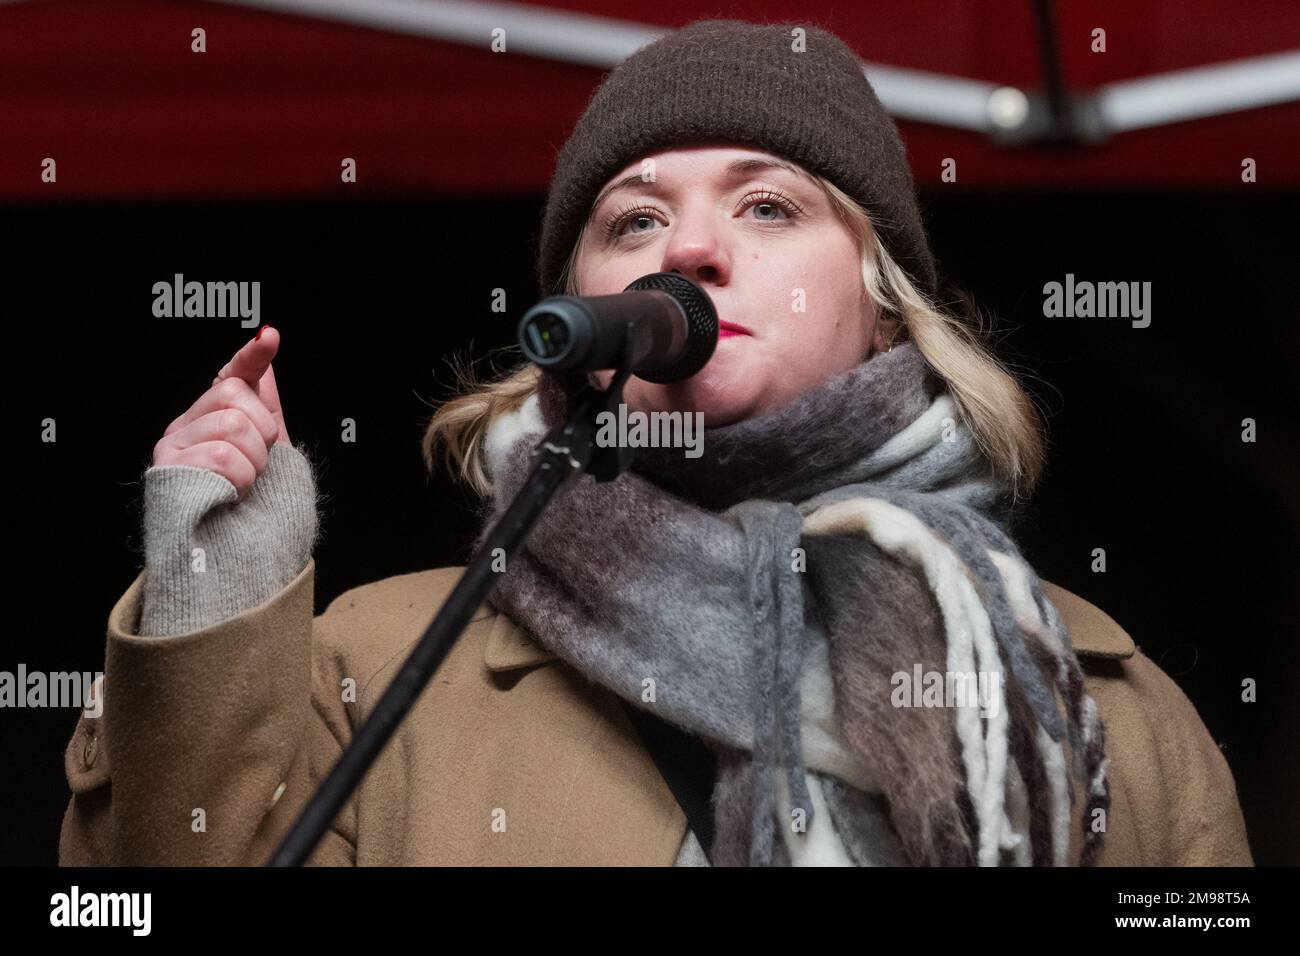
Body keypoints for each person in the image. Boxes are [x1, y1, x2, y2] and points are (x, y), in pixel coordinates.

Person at [59, 19, 1252, 867]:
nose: (689, 247)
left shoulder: (1102, 700)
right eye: (634, 216)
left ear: (885, 299)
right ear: (578, 317)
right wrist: (214, 598)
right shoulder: (374, 668)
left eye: (768, 203)